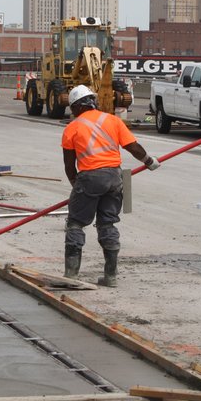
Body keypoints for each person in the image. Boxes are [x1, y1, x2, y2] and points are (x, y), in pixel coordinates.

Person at [61, 85, 160, 287]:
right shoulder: (112, 120)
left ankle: (71, 275)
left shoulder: (72, 128)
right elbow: (132, 146)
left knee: (75, 224)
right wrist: (149, 161)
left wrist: (76, 186)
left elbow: (69, 165)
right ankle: (111, 276)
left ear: (77, 107)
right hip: (114, 177)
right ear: (93, 102)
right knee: (107, 223)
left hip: (89, 177)